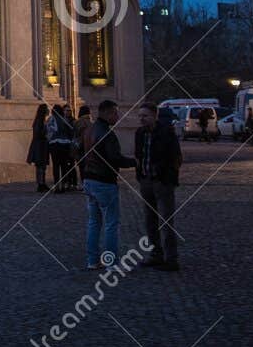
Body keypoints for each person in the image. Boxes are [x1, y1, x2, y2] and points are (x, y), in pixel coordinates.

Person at [79, 99, 135, 269]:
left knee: (94, 222)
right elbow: (115, 159)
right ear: (106, 113)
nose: (117, 116)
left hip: (89, 179)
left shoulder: (89, 130)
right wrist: (134, 162)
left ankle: (92, 260)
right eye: (115, 113)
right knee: (111, 223)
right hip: (104, 181)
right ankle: (111, 262)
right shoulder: (107, 134)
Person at [133, 103, 182, 271]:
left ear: (155, 116)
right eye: (140, 116)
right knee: (150, 220)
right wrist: (140, 176)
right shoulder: (139, 133)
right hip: (146, 180)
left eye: (145, 115)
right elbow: (138, 155)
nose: (142, 119)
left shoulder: (167, 133)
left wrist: (168, 177)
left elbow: (176, 157)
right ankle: (156, 254)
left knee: (166, 221)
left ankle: (171, 259)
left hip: (162, 182)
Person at [46, 104, 76, 191]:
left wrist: (49, 139)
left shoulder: (52, 119)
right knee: (64, 166)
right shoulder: (65, 120)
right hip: (65, 144)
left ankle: (57, 186)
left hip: (55, 144)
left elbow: (50, 131)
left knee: (56, 166)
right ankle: (63, 185)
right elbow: (70, 132)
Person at [26, 103, 49, 192]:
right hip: (39, 146)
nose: (48, 110)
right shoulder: (39, 121)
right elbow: (38, 134)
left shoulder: (42, 120)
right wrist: (46, 133)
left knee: (42, 166)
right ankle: (40, 184)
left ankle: (42, 182)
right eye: (46, 109)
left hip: (42, 145)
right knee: (40, 165)